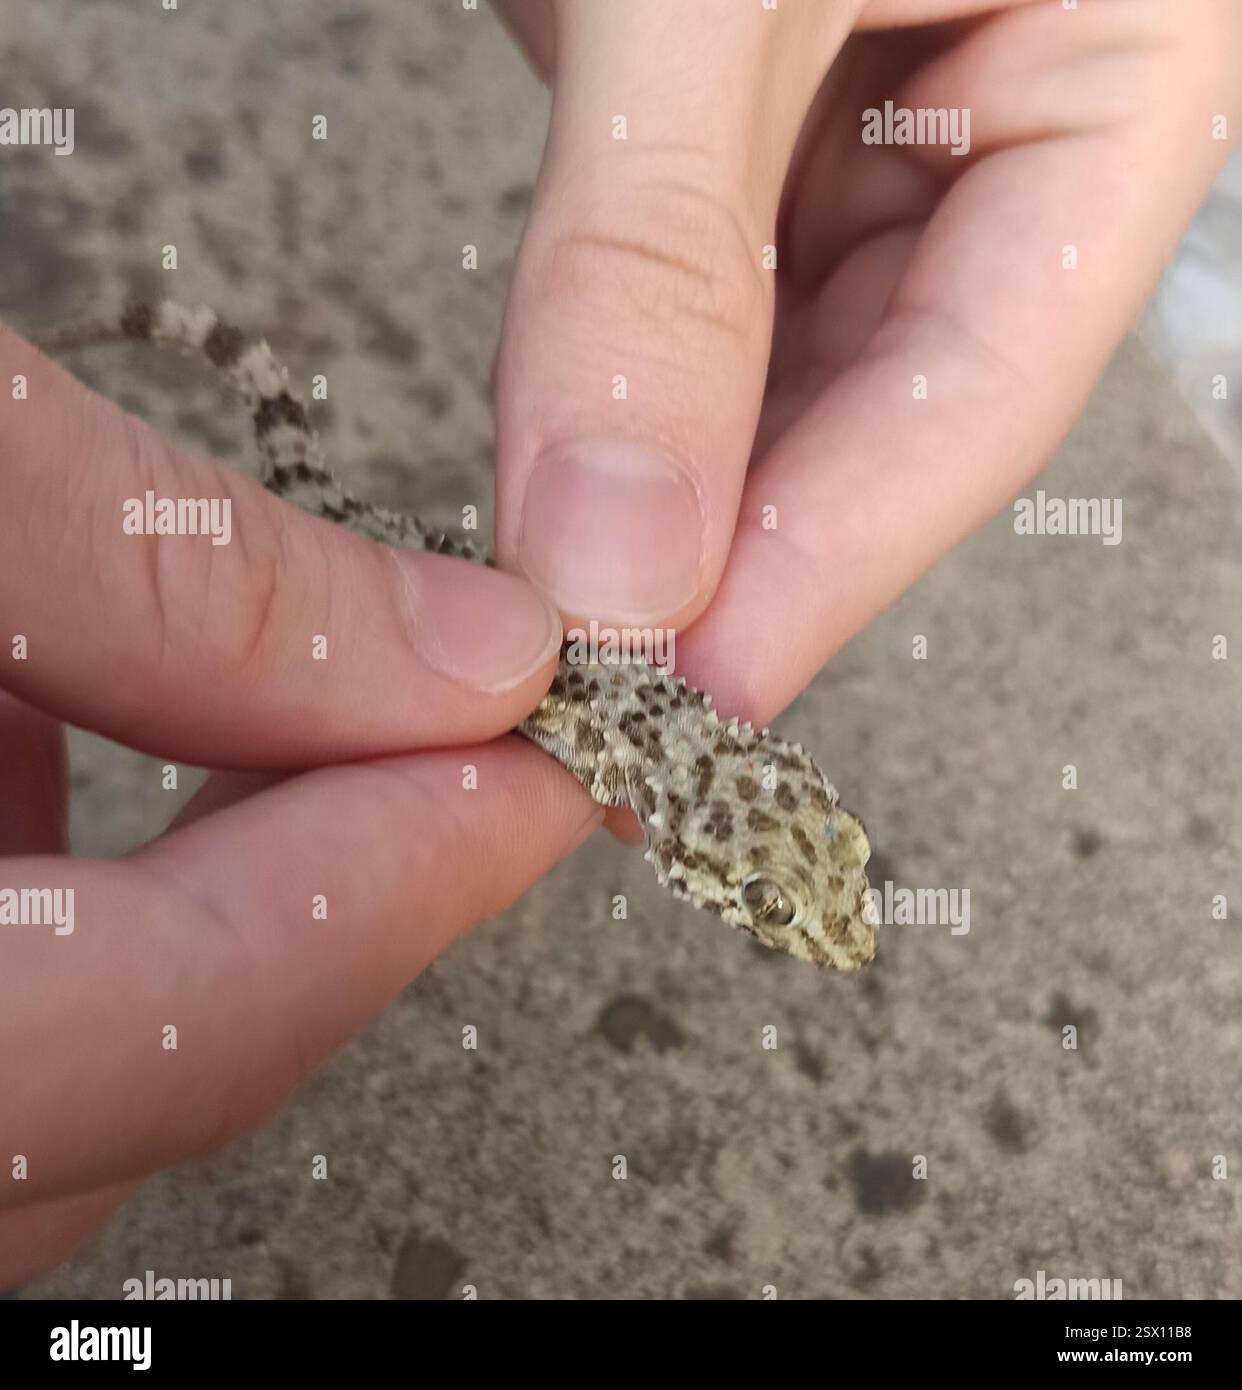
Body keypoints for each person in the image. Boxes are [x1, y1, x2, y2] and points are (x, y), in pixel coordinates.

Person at [2, 0, 1237, 1287]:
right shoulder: (614, 729)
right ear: (699, 849)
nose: (807, 926)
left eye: (794, 891)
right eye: (772, 900)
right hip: (417, 593)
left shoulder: (666, 723)